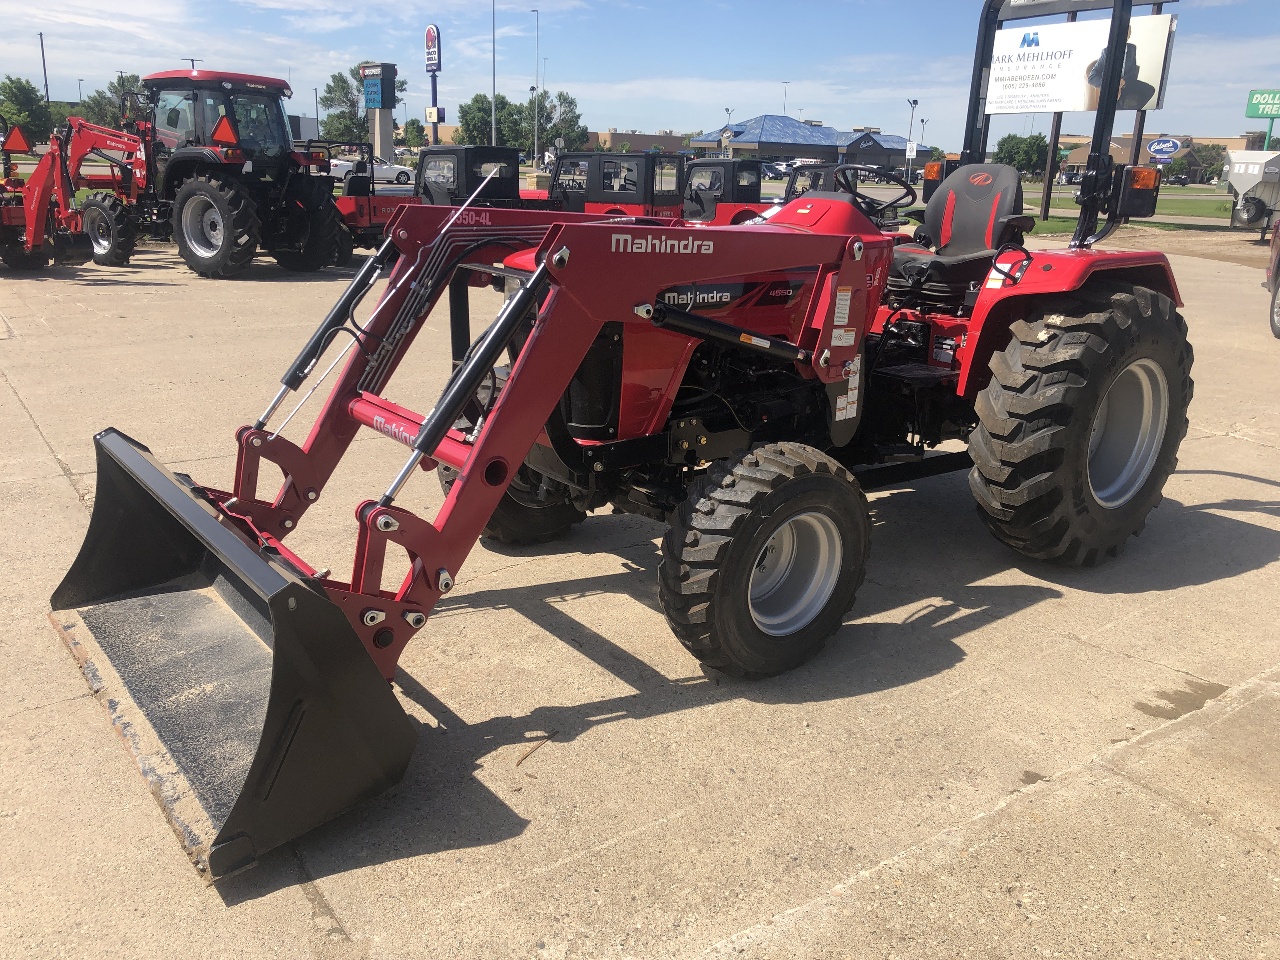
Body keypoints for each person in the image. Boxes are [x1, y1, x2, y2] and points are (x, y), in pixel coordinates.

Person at [1086, 27, 1156, 111]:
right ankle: (1120, 107)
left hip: (1127, 83)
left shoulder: (1132, 48)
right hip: (1111, 86)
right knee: (1124, 100)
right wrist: (1110, 85)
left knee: (1149, 90)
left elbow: (1133, 70)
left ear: (1129, 34)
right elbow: (1092, 77)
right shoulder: (1107, 52)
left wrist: (1123, 82)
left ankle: (1124, 107)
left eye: (1127, 32)